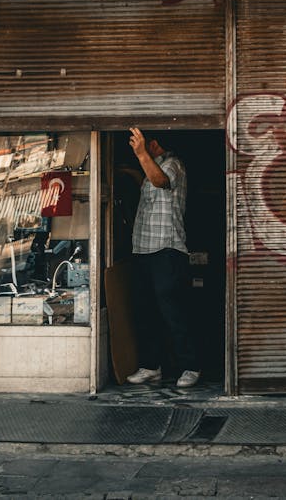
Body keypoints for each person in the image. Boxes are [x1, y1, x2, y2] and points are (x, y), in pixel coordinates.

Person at [123, 127, 200, 388]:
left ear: (153, 143)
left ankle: (190, 366)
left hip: (167, 249)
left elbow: (160, 181)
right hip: (143, 248)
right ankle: (150, 366)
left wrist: (141, 154)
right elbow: (148, 181)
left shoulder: (172, 164)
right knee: (145, 311)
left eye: (146, 144)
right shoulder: (151, 168)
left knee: (173, 311)